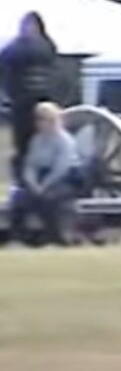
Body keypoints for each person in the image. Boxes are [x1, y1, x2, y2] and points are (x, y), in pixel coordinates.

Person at [10, 102, 81, 245]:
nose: (40, 123)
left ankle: (57, 238)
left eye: (44, 119)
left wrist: (43, 186)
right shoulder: (37, 140)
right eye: (38, 119)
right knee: (19, 199)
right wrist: (33, 183)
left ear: (54, 120)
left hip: (65, 179)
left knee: (49, 199)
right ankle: (20, 238)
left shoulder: (65, 141)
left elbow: (61, 168)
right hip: (39, 179)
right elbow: (30, 165)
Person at [0, 12, 58, 180]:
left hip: (43, 100)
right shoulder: (14, 50)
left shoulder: (44, 47)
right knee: (23, 143)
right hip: (22, 102)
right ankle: (24, 178)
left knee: (43, 140)